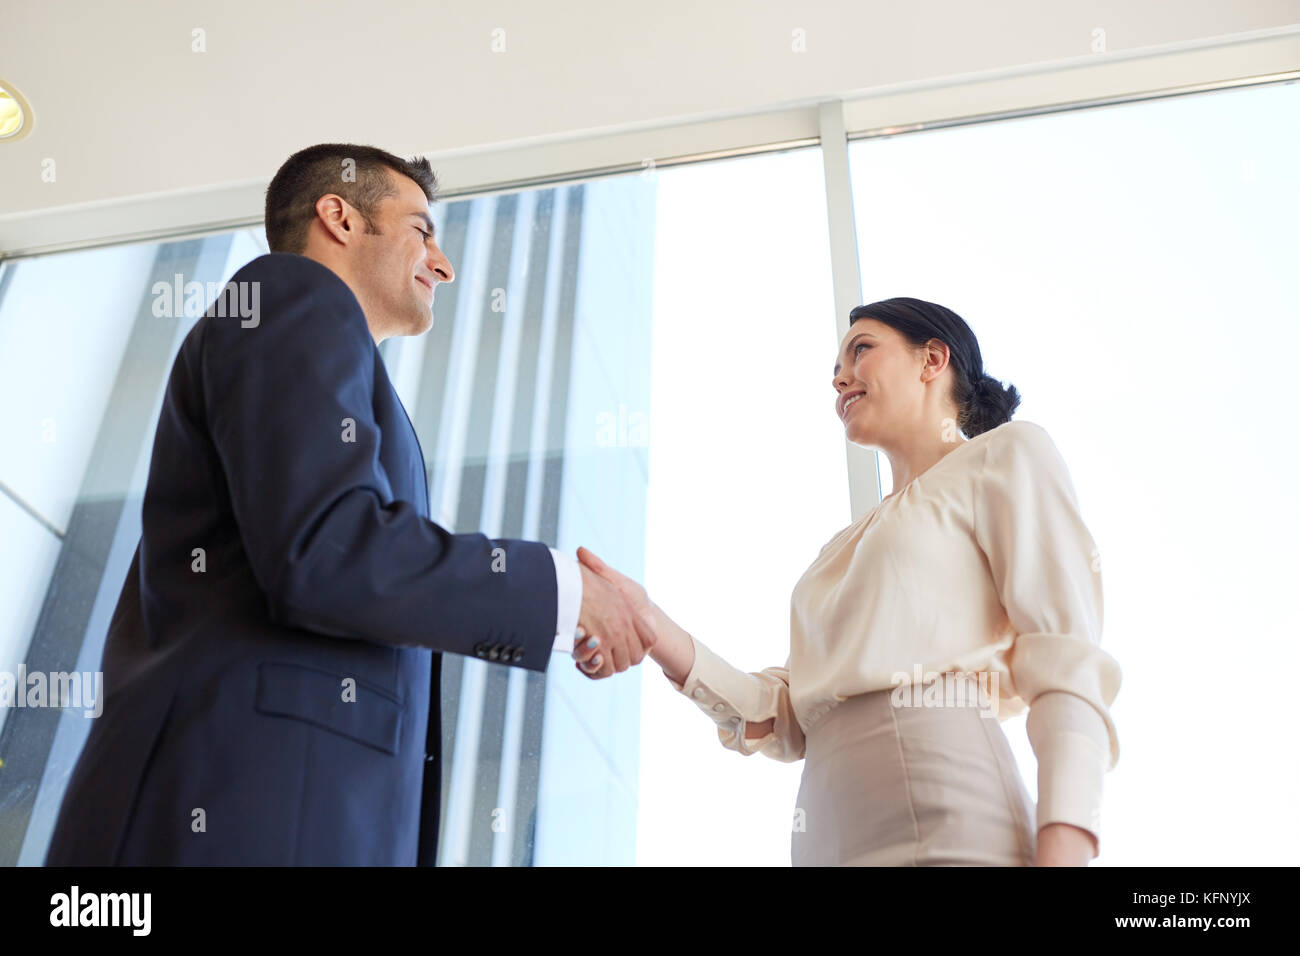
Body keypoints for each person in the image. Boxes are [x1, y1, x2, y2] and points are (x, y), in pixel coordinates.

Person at [43, 143, 654, 866]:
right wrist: (560, 592)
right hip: (233, 815)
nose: (444, 263)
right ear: (338, 215)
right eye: (422, 230)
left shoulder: (346, 373)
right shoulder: (290, 295)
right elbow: (328, 548)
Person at [571, 297, 1121, 866]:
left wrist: (1066, 840)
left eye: (861, 350)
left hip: (949, 815)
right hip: (826, 840)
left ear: (933, 359)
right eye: (837, 365)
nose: (839, 377)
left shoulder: (1005, 455)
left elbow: (1067, 660)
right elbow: (782, 712)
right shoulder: (841, 548)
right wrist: (649, 623)